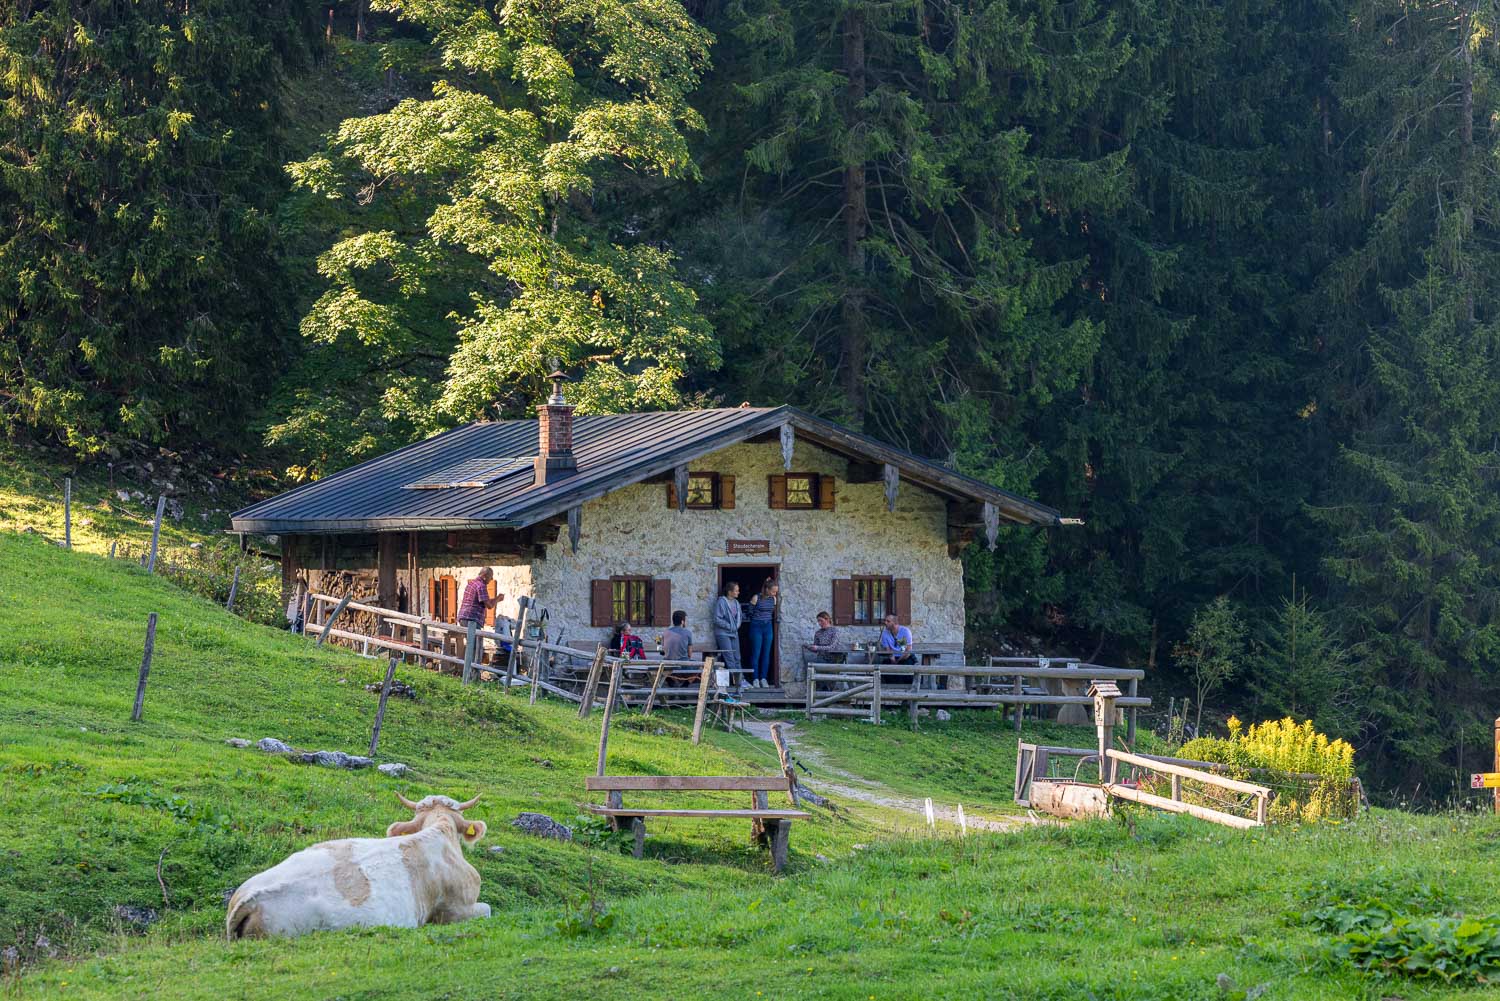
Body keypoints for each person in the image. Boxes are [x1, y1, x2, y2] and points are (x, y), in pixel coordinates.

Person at [457, 567, 503, 664]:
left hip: (464, 617)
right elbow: (489, 605)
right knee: (476, 646)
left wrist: (495, 599)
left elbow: (485, 601)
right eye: (490, 576)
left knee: (471, 645)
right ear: (484, 576)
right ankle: (473, 670)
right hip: (472, 619)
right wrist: (498, 598)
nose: (491, 579)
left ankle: (467, 668)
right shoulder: (481, 586)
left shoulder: (472, 583)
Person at [745, 578, 779, 688]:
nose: (775, 593)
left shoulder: (773, 599)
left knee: (766, 653)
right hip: (756, 626)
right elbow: (749, 612)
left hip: (768, 627)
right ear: (767, 589)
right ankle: (755, 678)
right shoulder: (756, 597)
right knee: (756, 653)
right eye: (773, 591)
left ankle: (763, 678)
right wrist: (757, 618)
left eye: (776, 591)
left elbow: (772, 612)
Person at [713, 582, 743, 684]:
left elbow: (739, 617)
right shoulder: (721, 602)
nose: (738, 592)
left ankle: (741, 680)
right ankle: (737, 682)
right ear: (729, 592)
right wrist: (729, 626)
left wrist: (736, 626)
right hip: (723, 634)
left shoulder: (736, 603)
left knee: (737, 657)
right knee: (729, 658)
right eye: (736, 590)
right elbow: (717, 619)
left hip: (734, 633)